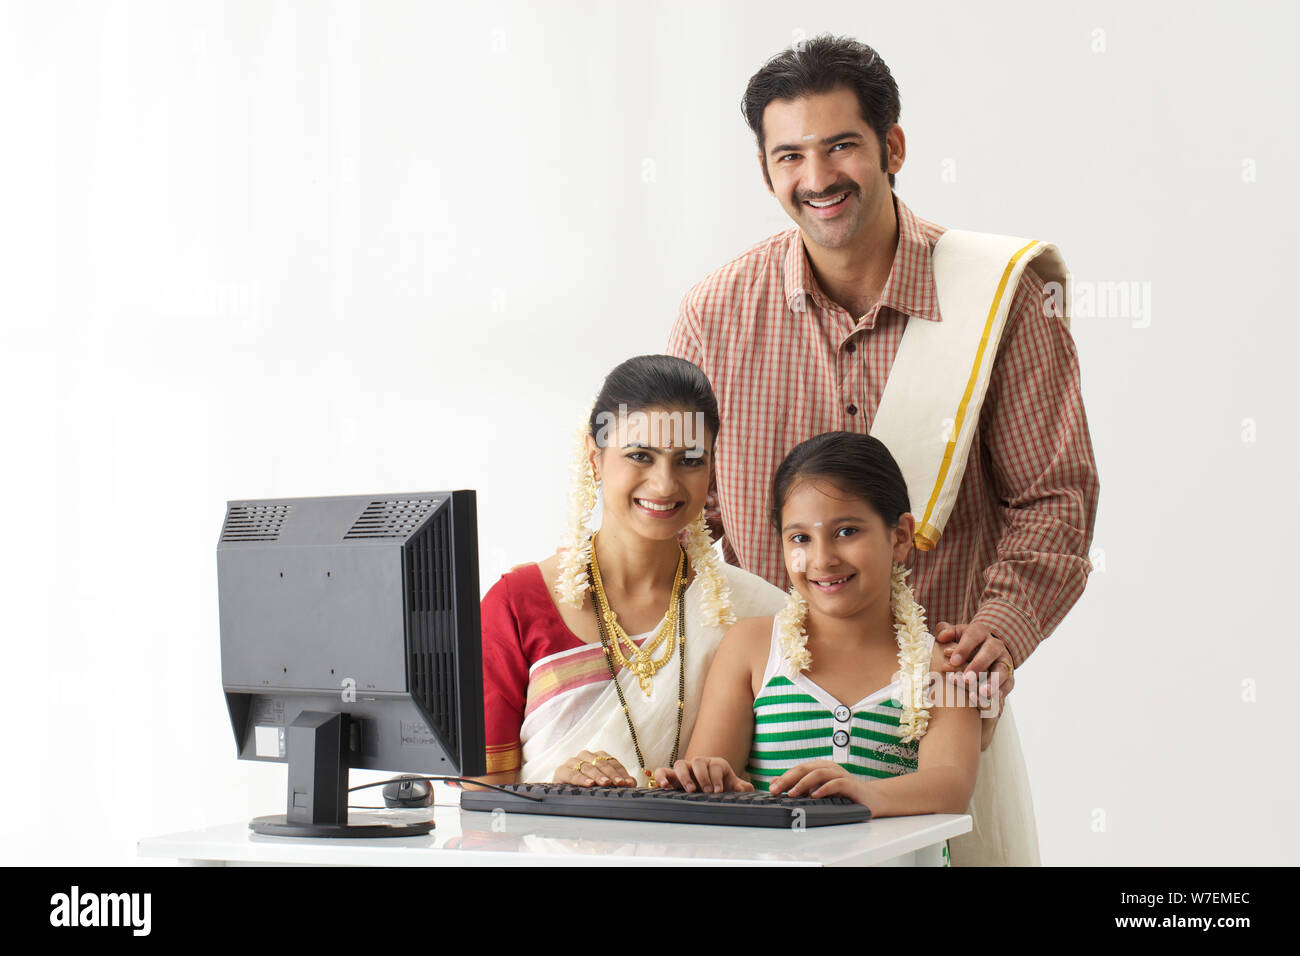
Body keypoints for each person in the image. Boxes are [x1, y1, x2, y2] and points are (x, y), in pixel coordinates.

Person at [666, 35, 1100, 865]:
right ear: (766, 172)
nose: (817, 177)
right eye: (789, 155)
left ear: (892, 147)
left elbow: (1056, 498)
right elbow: (686, 520)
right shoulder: (714, 316)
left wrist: (994, 636)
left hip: (944, 710)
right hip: (770, 708)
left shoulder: (1000, 297)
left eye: (841, 146)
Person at [656, 433, 982, 853]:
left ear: (900, 536)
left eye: (846, 531)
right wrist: (710, 779)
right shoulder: (752, 647)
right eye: (800, 538)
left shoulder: (945, 664)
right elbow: (712, 768)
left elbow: (952, 785)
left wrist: (863, 795)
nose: (823, 558)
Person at [473, 354, 787, 789]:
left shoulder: (758, 613)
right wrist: (554, 790)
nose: (664, 484)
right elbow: (481, 805)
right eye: (640, 455)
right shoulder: (515, 606)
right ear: (594, 456)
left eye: (690, 460)